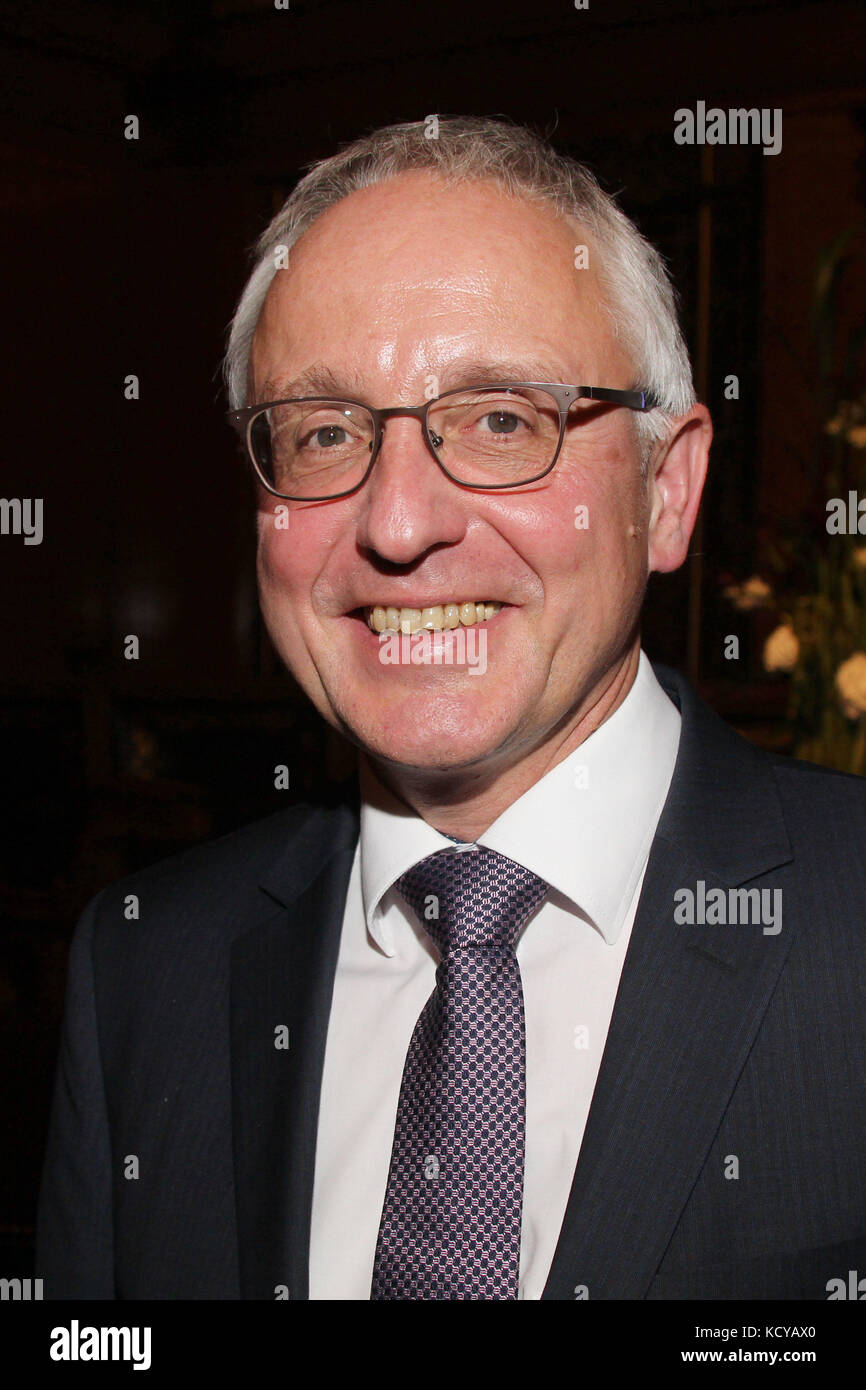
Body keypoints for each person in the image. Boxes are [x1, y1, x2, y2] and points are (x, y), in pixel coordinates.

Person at [37, 116, 866, 1300]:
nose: (398, 522)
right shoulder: (146, 970)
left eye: (498, 420)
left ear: (665, 489)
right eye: (324, 433)